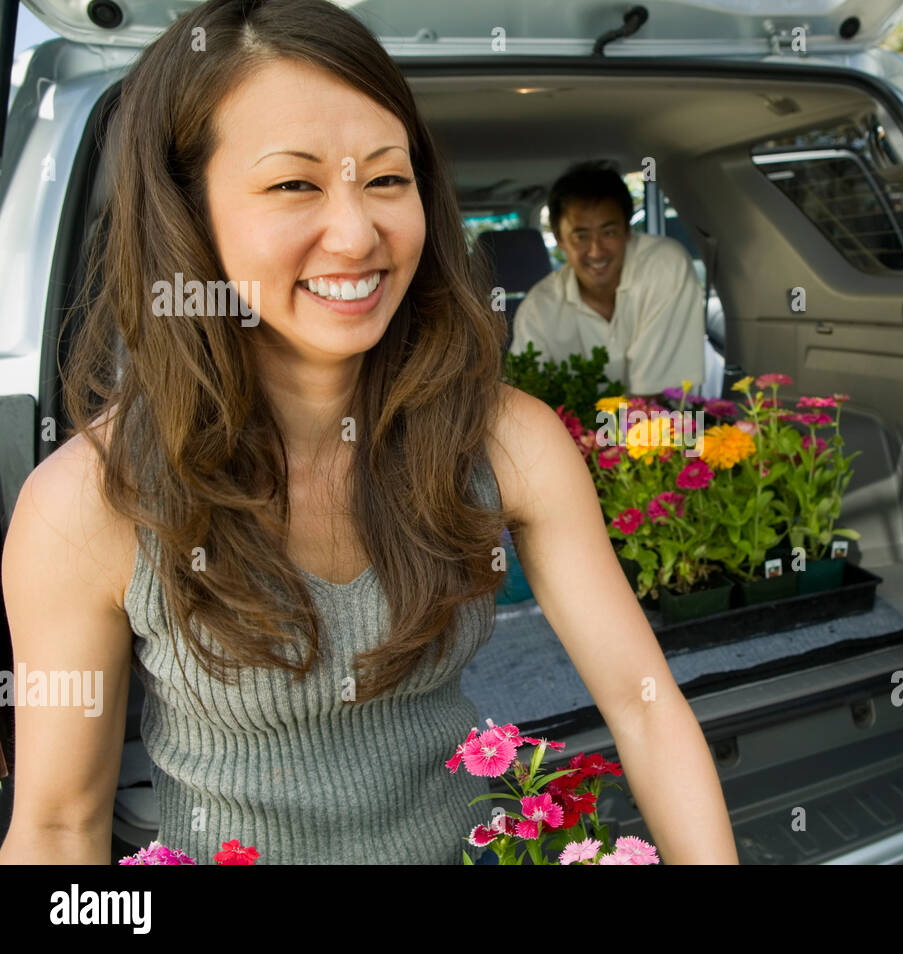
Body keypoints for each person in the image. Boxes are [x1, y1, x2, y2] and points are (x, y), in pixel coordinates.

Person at [0, 0, 738, 866]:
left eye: (387, 179)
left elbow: (646, 704)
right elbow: (57, 830)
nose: (357, 233)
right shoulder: (87, 503)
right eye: (294, 184)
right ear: (188, 215)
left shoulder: (509, 437)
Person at [509, 161, 707, 399]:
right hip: (568, 434)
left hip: (661, 427)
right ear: (560, 239)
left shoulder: (664, 267)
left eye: (609, 232)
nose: (596, 251)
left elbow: (660, 398)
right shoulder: (538, 310)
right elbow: (523, 402)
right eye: (580, 236)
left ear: (627, 230)